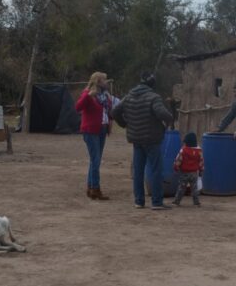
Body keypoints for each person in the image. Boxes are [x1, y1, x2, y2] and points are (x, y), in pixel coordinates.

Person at [112, 72, 174, 210]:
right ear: (152, 84)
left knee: (138, 170)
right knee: (156, 169)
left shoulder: (129, 96)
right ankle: (157, 202)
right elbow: (161, 113)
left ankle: (139, 201)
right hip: (152, 138)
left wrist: (125, 124)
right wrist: (170, 119)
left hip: (136, 138)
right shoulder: (154, 97)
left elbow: (115, 111)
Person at [74, 71, 116, 200]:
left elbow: (108, 110)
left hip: (102, 129)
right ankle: (95, 189)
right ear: (98, 81)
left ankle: (91, 188)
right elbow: (77, 107)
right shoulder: (88, 93)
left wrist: (110, 122)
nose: (106, 82)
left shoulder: (105, 95)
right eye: (104, 80)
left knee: (95, 161)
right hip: (91, 130)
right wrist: (88, 96)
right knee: (96, 160)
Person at [172, 132, 203, 207]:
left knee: (181, 188)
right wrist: (201, 170)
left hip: (184, 173)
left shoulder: (183, 150)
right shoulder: (199, 151)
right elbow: (201, 161)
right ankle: (196, 203)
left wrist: (176, 167)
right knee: (194, 189)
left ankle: (176, 202)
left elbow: (179, 160)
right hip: (194, 173)